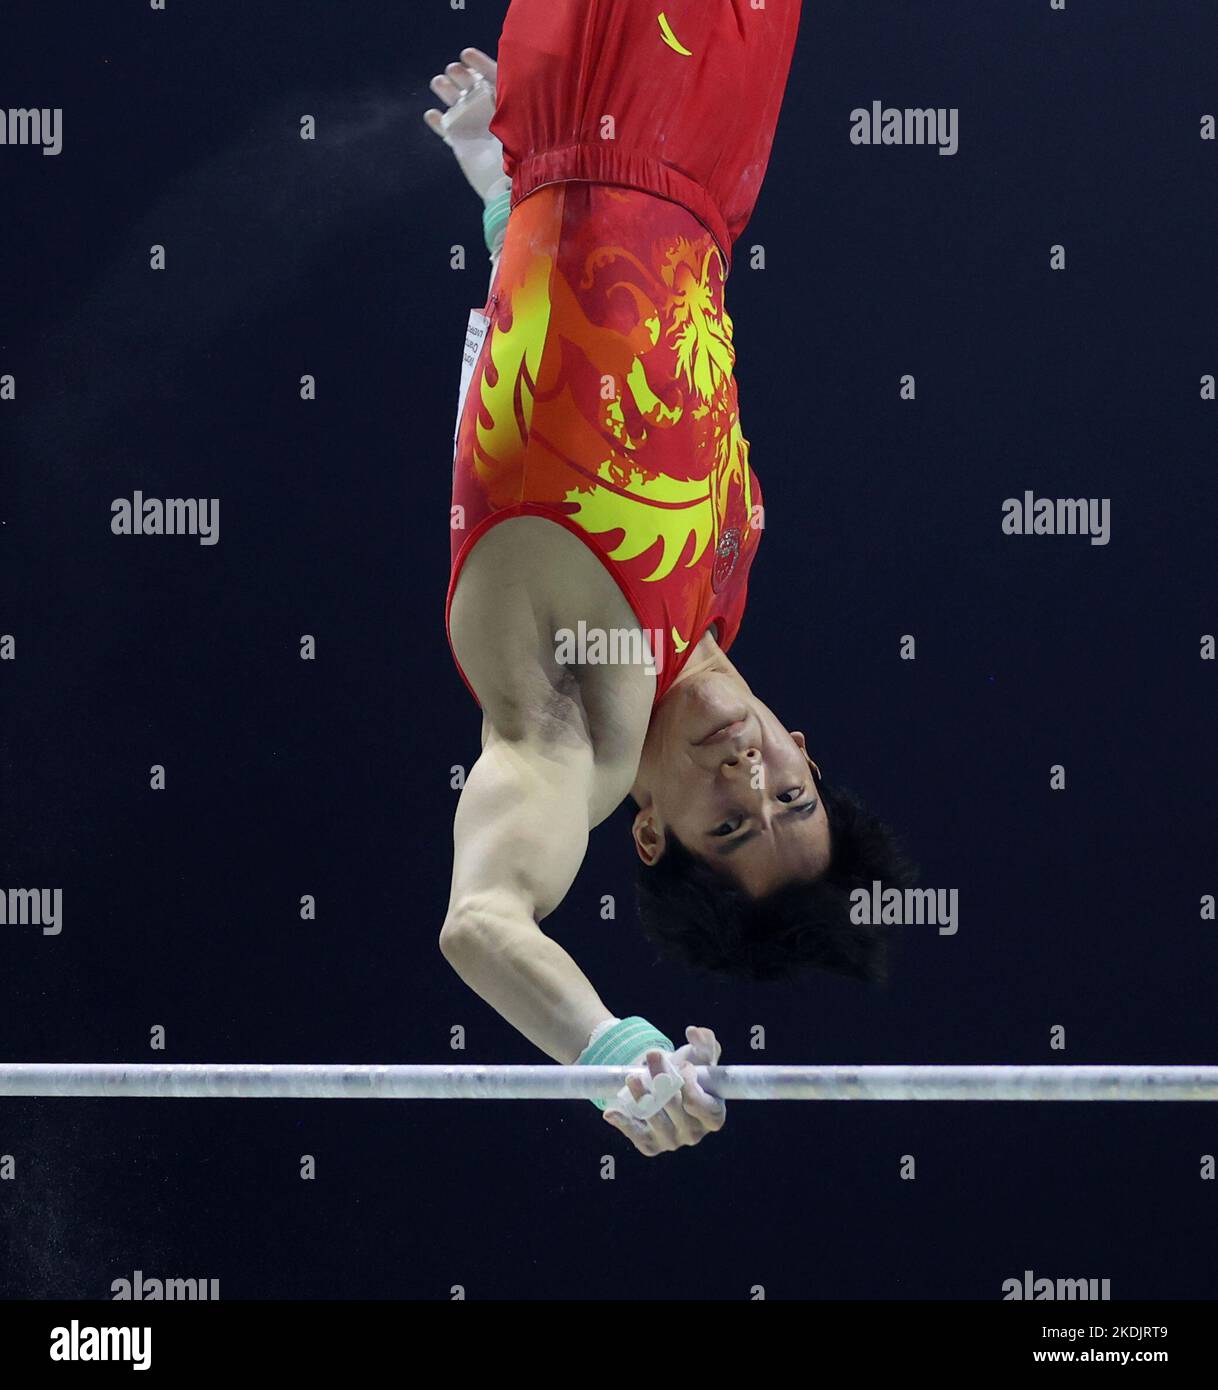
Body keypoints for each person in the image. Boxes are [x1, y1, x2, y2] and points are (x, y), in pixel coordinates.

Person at [423, 3, 915, 1157]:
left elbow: (482, 920)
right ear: (807, 750)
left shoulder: (568, 733)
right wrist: (504, 198)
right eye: (789, 794)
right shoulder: (731, 566)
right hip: (710, 160)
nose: (752, 772)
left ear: (651, 835)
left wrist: (604, 1050)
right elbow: (544, 374)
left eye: (731, 823)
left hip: (598, 99)